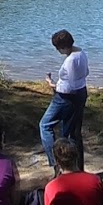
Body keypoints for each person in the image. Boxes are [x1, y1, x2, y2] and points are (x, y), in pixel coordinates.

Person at [40, 29, 89, 176]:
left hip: (66, 98)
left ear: (62, 47)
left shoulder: (70, 61)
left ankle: (57, 163)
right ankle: (78, 169)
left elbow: (69, 86)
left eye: (57, 48)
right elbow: (86, 73)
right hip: (81, 93)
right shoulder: (81, 52)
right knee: (74, 133)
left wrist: (51, 84)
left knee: (45, 125)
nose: (57, 51)